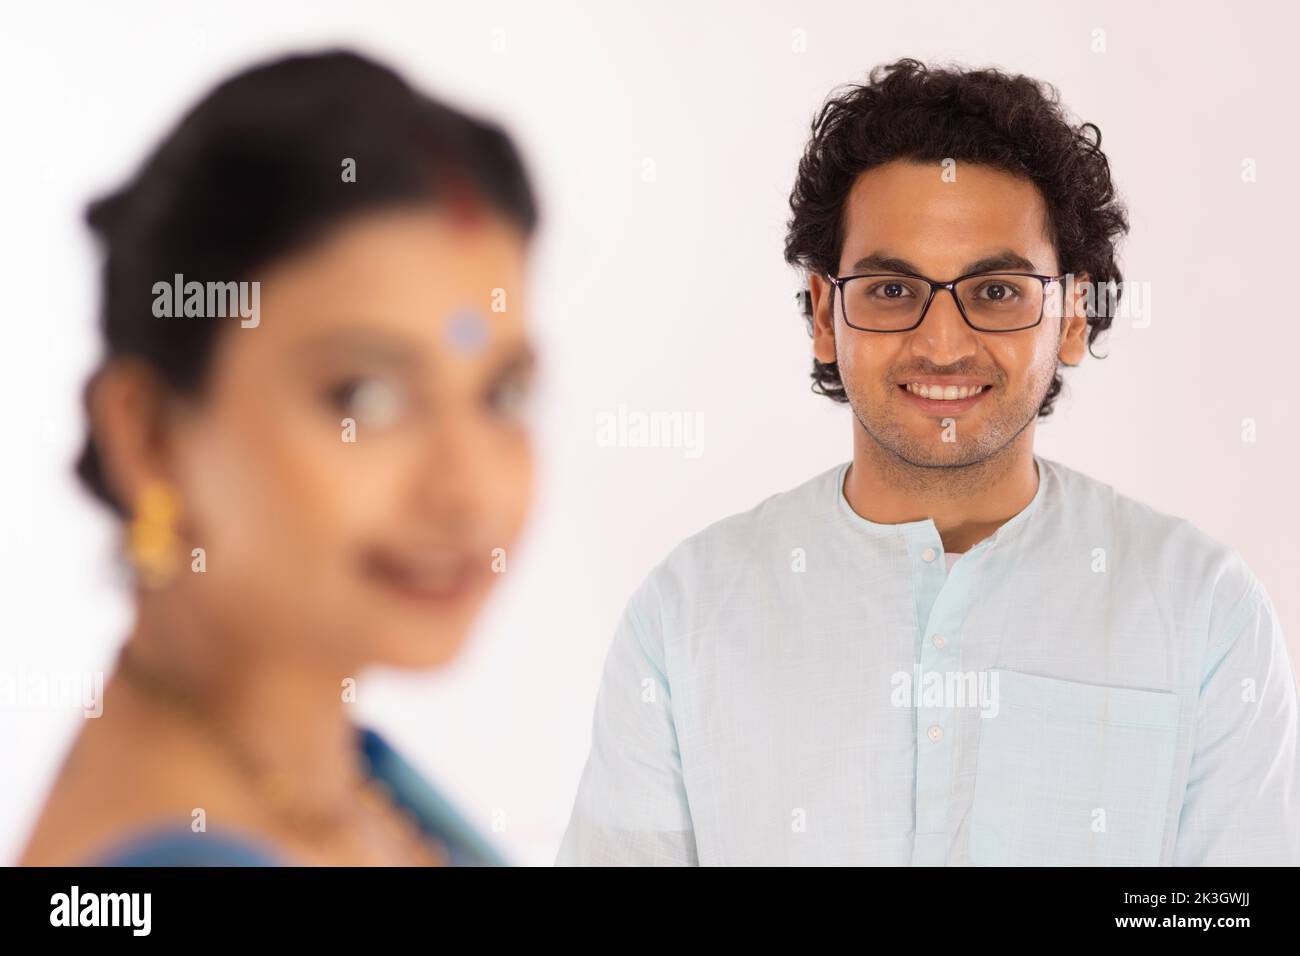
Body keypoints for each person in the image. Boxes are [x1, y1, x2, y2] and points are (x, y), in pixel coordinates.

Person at [557, 58, 1299, 866]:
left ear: (1075, 318)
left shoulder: (1203, 611)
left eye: (997, 291)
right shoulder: (686, 615)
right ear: (821, 316)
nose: (943, 344)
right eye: (890, 290)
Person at [19, 49, 539, 866]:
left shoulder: (343, 775)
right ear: (150, 437)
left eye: (501, 396)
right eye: (366, 399)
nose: (469, 493)